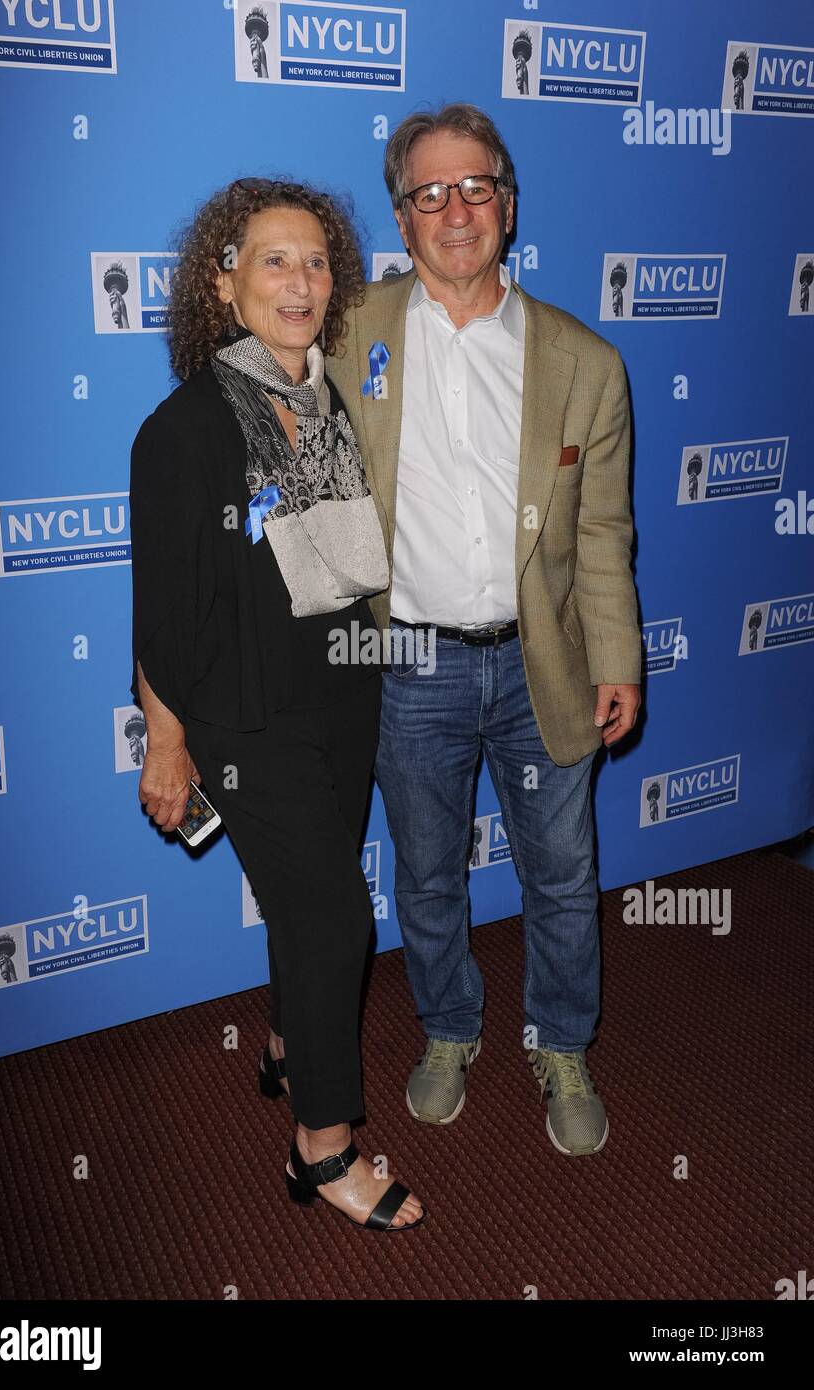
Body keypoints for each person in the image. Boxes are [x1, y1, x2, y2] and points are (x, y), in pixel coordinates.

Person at [327, 105, 643, 1156]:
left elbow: (602, 534)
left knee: (560, 869)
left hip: (541, 660)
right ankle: (450, 1028)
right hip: (405, 661)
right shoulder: (347, 334)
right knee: (424, 871)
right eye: (430, 192)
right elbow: (296, 491)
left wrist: (620, 662)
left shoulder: (586, 363)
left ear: (506, 204)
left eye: (475, 188)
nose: (454, 210)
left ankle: (562, 1041)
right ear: (402, 216)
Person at [129, 177, 425, 1230]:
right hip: (245, 717)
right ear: (225, 282)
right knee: (338, 914)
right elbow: (159, 614)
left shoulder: (330, 403)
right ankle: (322, 1147)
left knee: (307, 911)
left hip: (343, 691)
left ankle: (288, 1042)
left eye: (314, 260)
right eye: (272, 259)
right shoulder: (186, 429)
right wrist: (164, 742)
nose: (299, 281)